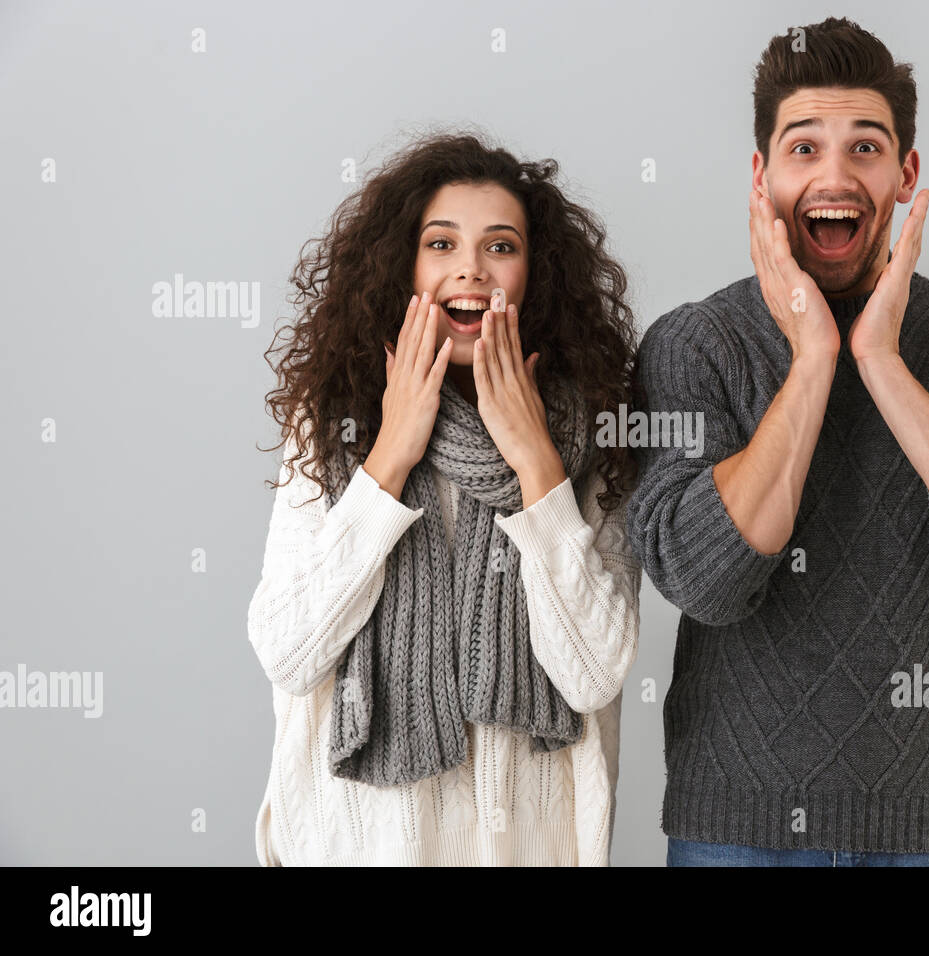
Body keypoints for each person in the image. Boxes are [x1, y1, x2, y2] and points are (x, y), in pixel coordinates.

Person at [627, 17, 929, 867]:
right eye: (804, 148)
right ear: (762, 175)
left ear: (905, 173)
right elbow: (704, 581)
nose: (835, 176)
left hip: (926, 835)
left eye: (866, 148)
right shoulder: (696, 344)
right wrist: (814, 359)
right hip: (736, 833)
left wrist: (880, 360)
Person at [247, 130, 641, 866]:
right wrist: (389, 458)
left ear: (534, 272)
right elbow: (290, 654)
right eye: (441, 244)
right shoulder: (333, 425)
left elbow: (593, 674)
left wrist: (537, 464)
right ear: (404, 266)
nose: (471, 269)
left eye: (500, 246)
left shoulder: (591, 435)